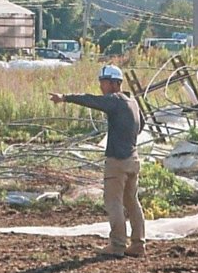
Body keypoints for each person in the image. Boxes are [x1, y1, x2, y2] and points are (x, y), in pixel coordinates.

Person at [49, 64, 146, 258]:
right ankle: (138, 244)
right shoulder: (132, 102)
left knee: (114, 202)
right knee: (132, 202)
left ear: (114, 83)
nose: (101, 87)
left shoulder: (115, 101)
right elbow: (141, 125)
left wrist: (66, 97)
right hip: (133, 160)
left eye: (103, 83)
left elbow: (91, 101)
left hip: (117, 162)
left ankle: (117, 245)